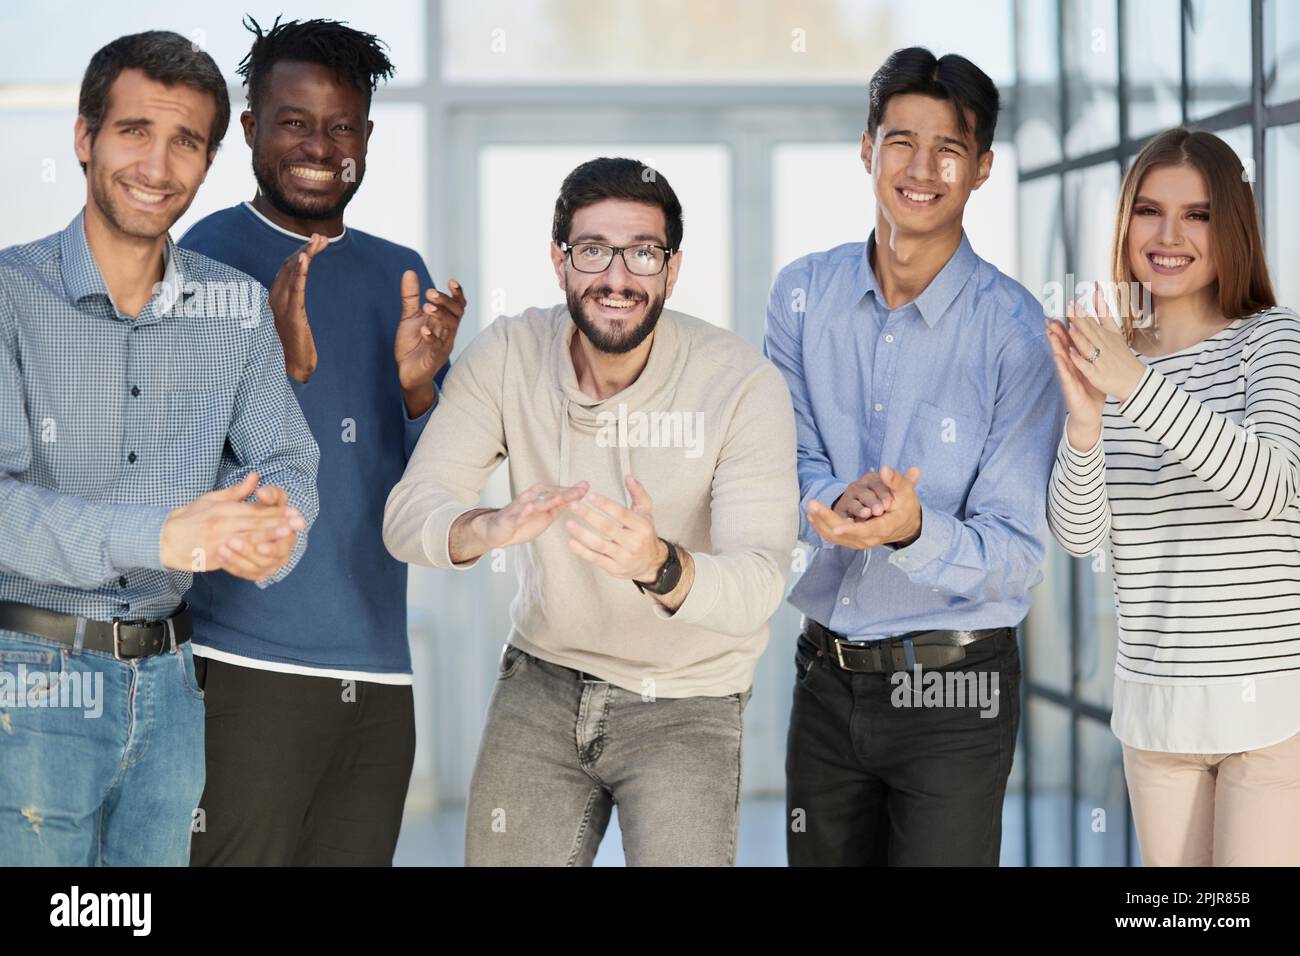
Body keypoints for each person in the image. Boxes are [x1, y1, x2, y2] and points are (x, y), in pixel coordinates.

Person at [383, 157, 798, 866]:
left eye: (643, 253)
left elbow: (760, 583)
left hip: (689, 699)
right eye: (592, 250)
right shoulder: (509, 353)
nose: (616, 277)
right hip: (542, 679)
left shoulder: (741, 385)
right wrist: (487, 526)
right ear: (559, 260)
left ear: (671, 270)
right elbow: (407, 516)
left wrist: (659, 565)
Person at [0, 31, 319, 866]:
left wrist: (272, 530)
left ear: (209, 162)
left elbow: (289, 461)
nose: (158, 164)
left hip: (172, 688)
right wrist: (161, 536)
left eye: (186, 142)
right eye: (134, 131)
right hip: (31, 680)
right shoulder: (8, 298)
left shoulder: (237, 308)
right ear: (84, 138)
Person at [179, 17, 465, 867]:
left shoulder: (398, 272)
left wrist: (419, 389)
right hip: (240, 664)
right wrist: (270, 367)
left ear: (367, 139)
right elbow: (168, 466)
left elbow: (429, 488)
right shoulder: (200, 257)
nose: (318, 145)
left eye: (340, 125)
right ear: (250, 130)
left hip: (379, 670)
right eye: (294, 121)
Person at [766, 47, 1063, 866]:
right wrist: (839, 501)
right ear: (867, 150)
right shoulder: (801, 295)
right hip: (824, 676)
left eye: (950, 149)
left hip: (953, 689)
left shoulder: (1014, 333)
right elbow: (778, 458)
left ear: (983, 169)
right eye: (901, 141)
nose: (921, 168)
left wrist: (912, 529)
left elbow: (1015, 555)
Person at [1045, 127, 1300, 866]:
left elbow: (1269, 487)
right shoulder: (1112, 359)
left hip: (1268, 713)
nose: (1168, 235)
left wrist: (1132, 383)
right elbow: (1080, 535)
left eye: (1198, 214)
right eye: (1149, 210)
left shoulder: (1273, 340)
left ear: (1234, 227)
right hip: (1156, 716)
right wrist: (1086, 424)